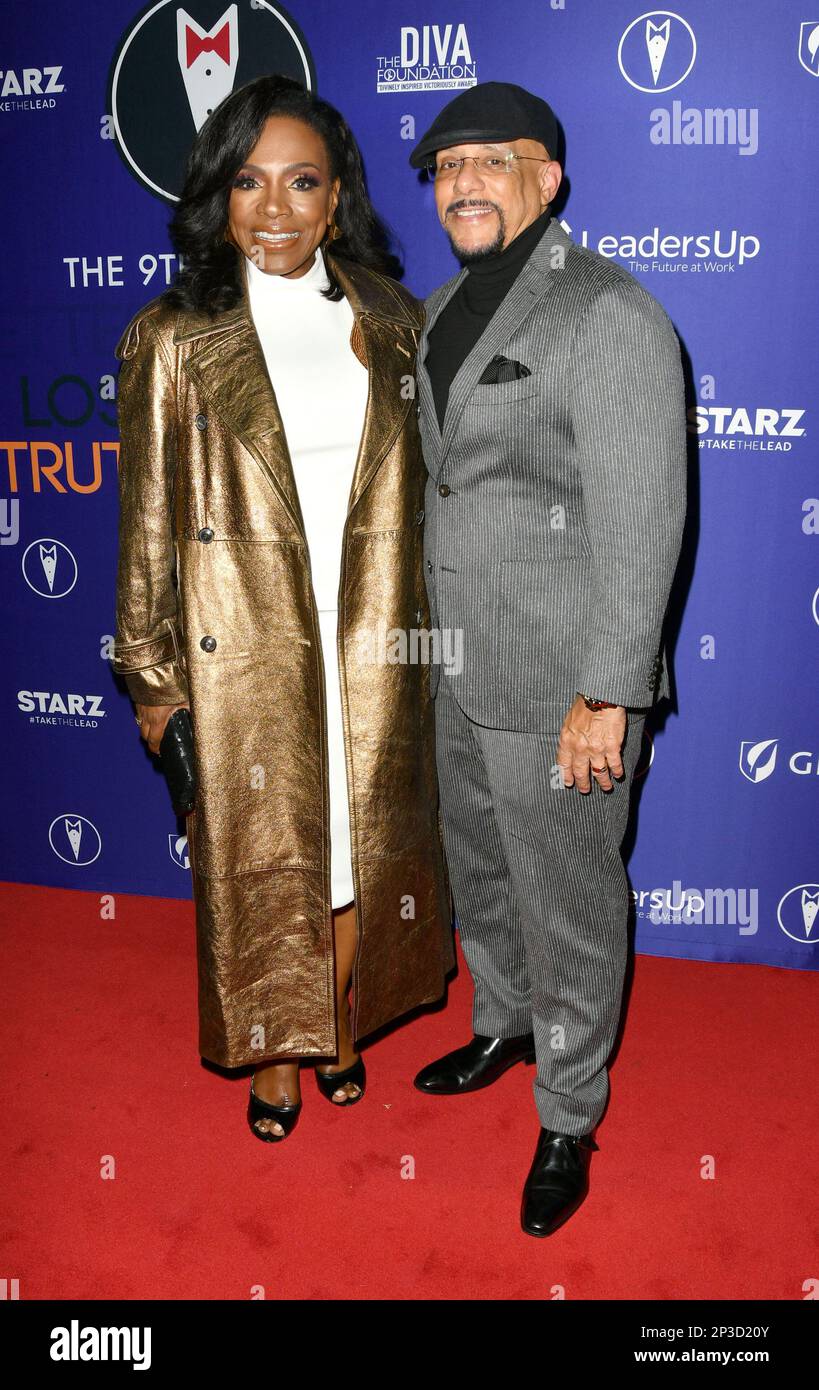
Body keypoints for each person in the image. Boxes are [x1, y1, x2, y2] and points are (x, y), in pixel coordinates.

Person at [112, 74, 454, 1143]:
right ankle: (275, 1055)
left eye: (301, 182)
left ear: (338, 197)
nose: (274, 208)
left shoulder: (394, 321)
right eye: (249, 182)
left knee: (359, 851)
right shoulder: (171, 336)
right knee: (263, 860)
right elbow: (145, 525)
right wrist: (156, 687)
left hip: (374, 640)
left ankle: (339, 1030)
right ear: (220, 198)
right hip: (244, 647)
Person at [408, 82, 687, 1234]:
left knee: (569, 898)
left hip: (562, 678)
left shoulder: (608, 311)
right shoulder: (440, 310)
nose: (463, 181)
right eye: (445, 167)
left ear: (547, 178)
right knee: (481, 871)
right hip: (458, 664)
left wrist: (606, 693)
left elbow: (643, 521)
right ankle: (505, 1021)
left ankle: (569, 1108)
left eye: (491, 160)